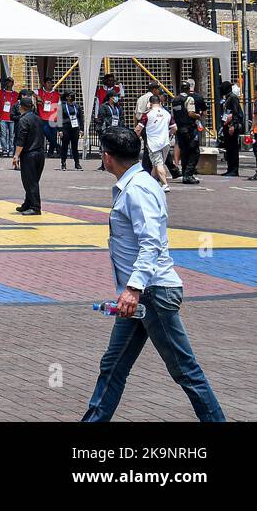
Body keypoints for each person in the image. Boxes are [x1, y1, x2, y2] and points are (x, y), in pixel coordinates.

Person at [82, 126, 225, 422]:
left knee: (185, 371)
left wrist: (133, 288)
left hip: (152, 293)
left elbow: (151, 243)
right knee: (113, 365)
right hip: (139, 295)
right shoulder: (136, 183)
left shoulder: (138, 189)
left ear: (107, 157)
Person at [12, 94, 45, 215]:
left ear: (22, 107)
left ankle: (35, 207)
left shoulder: (23, 120)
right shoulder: (38, 118)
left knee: (29, 181)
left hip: (29, 154)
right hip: (40, 153)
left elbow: (21, 139)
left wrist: (16, 155)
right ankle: (28, 203)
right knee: (33, 180)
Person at [138, 93, 175, 191]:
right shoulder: (167, 114)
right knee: (157, 163)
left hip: (153, 143)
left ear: (150, 103)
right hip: (165, 142)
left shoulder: (148, 114)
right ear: (159, 102)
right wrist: (169, 134)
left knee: (158, 164)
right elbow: (174, 128)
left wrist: (135, 137)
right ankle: (151, 181)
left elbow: (139, 128)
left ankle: (164, 184)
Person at [171, 80, 202, 185]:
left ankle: (185, 173)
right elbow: (190, 113)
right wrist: (198, 115)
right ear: (188, 89)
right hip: (189, 129)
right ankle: (188, 175)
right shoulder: (189, 99)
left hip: (179, 129)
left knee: (184, 152)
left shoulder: (175, 100)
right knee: (194, 152)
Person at [219, 81, 243, 177]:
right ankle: (230, 168)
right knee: (229, 148)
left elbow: (236, 113)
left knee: (233, 148)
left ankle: (234, 169)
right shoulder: (228, 98)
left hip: (232, 126)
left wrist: (232, 125)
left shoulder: (233, 98)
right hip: (227, 125)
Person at [58, 89, 84, 170]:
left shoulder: (77, 106)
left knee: (75, 147)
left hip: (75, 128)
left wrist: (81, 129)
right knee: (64, 146)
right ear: (67, 97)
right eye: (70, 95)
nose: (72, 97)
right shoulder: (62, 106)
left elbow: (80, 118)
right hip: (65, 128)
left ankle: (77, 163)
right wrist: (60, 130)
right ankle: (63, 163)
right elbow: (59, 118)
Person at [0, 76, 18, 158]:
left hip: (12, 118)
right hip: (2, 117)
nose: (9, 83)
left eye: (10, 82)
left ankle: (11, 150)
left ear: (13, 83)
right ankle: (4, 149)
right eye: (7, 82)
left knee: (12, 135)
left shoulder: (16, 94)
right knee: (3, 134)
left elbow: (18, 106)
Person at [37, 77, 61, 156]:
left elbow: (59, 106)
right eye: (48, 83)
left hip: (53, 117)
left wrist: (59, 120)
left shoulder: (56, 94)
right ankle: (58, 146)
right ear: (44, 84)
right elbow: (29, 92)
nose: (50, 84)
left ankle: (50, 152)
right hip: (43, 117)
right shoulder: (39, 92)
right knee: (47, 133)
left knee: (53, 136)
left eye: (51, 83)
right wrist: (37, 97)